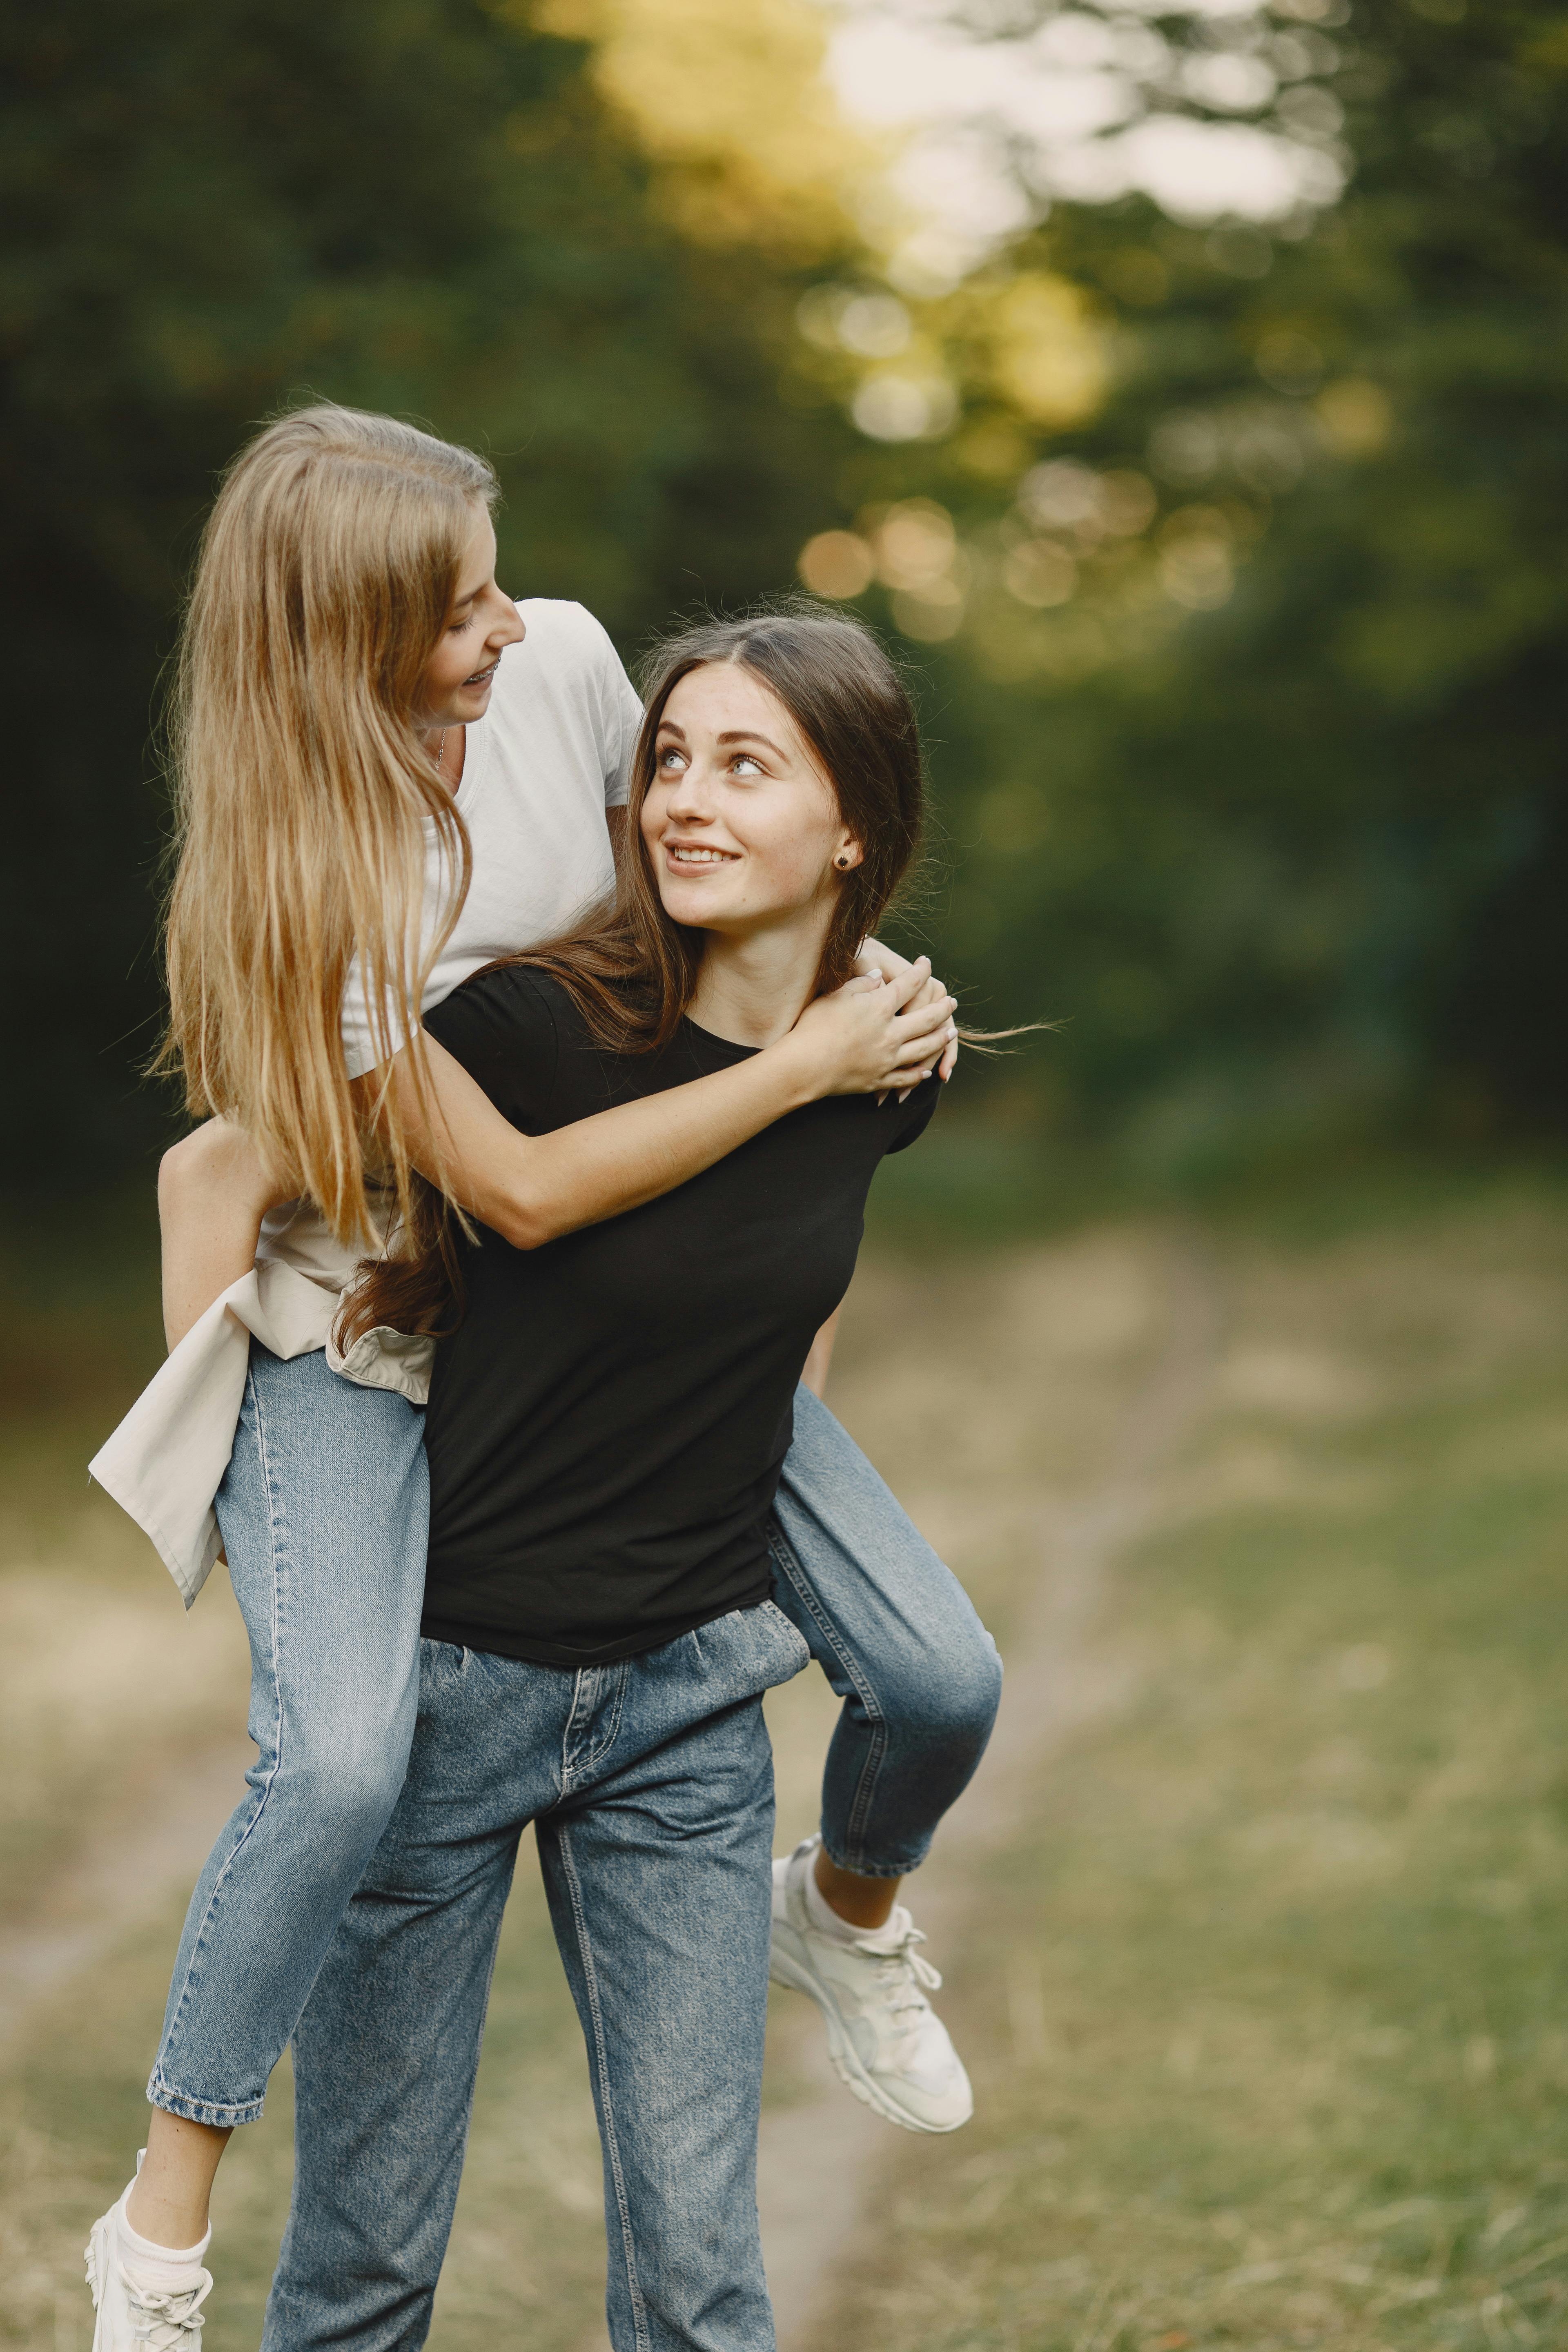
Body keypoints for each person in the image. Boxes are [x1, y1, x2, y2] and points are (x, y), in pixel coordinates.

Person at [83, 407, 1000, 2351]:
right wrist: (254, 1519)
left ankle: (847, 1907)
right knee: (336, 1763)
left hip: (627, 1347)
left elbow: (684, 915)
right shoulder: (306, 874)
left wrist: (838, 965)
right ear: (353, 640)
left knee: (938, 1670)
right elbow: (453, 1181)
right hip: (375, 1305)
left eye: (500, 580)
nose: (519, 620)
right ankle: (160, 2219)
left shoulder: (566, 668)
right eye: (464, 602)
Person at [266, 604, 953, 2352]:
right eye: (666, 758)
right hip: (446, 1694)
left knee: (702, 2284)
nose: (683, 800)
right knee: (362, 2276)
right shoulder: (518, 1029)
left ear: (854, 823)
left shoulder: (885, 1064)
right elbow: (413, 1187)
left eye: (747, 765)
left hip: (684, 1708)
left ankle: (848, 1911)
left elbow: (794, 1309)